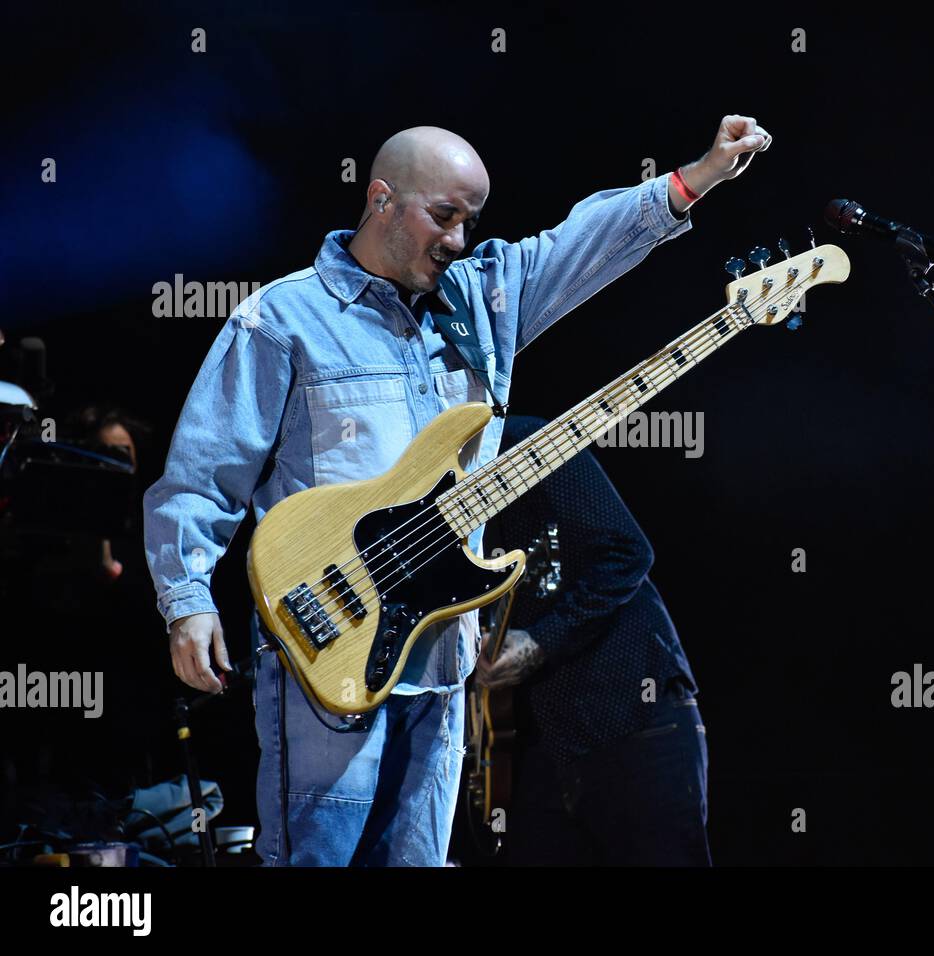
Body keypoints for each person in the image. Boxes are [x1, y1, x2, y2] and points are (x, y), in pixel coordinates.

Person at [142, 117, 770, 866]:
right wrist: (187, 601)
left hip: (439, 653)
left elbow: (579, 245)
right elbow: (205, 469)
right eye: (443, 216)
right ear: (381, 200)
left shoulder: (482, 300)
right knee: (319, 857)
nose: (460, 240)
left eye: (471, 220)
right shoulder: (282, 318)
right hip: (323, 638)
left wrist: (692, 179)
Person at [473, 415, 709, 865]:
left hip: (632, 717)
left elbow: (628, 552)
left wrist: (541, 641)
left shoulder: (527, 441)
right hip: (540, 743)